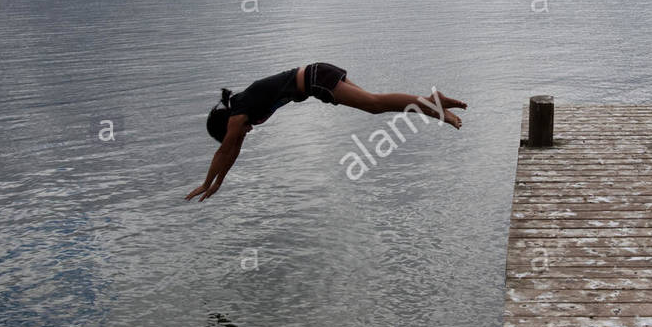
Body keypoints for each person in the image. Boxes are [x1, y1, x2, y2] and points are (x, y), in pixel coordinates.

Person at [187, 62, 466, 202]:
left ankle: (435, 104)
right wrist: (218, 183)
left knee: (374, 104)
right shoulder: (240, 112)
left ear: (226, 126)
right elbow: (232, 150)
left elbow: (225, 149)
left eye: (231, 133)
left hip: (315, 79)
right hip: (316, 77)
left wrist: (208, 182)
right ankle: (436, 105)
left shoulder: (238, 113)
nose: (243, 133)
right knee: (375, 104)